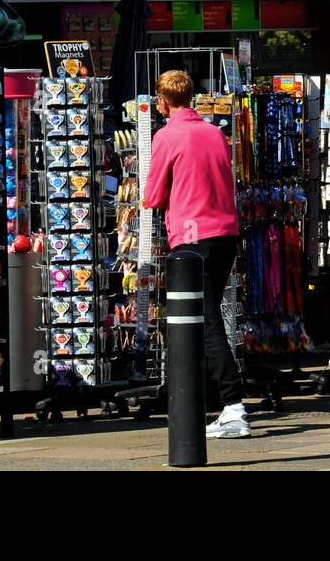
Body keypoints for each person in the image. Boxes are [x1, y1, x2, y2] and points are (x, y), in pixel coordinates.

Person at [143, 70, 247, 438]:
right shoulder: (214, 132)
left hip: (191, 238)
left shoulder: (167, 135)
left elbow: (152, 196)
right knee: (204, 318)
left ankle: (234, 405)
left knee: (206, 322)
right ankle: (197, 398)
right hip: (225, 234)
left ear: (162, 101)